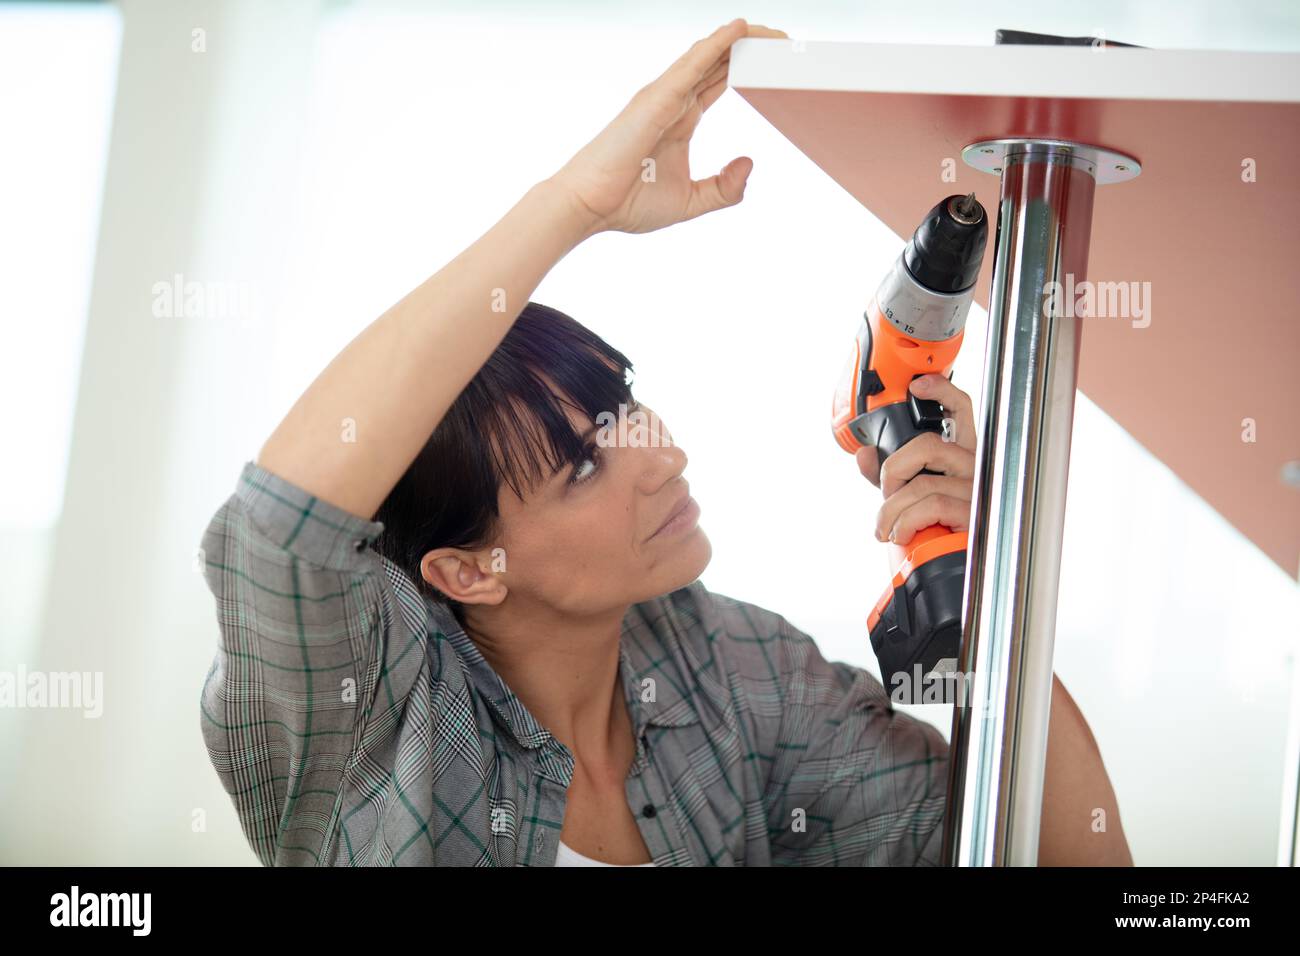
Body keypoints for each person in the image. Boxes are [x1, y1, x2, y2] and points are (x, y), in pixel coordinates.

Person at [197, 19, 1131, 867]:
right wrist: (574, 204)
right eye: (584, 466)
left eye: (623, 409)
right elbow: (275, 534)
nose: (662, 456)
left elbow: (1057, 859)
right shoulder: (369, 725)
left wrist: (990, 579)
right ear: (467, 570)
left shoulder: (732, 672)